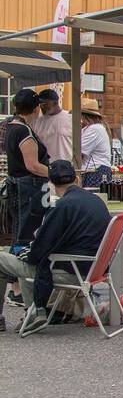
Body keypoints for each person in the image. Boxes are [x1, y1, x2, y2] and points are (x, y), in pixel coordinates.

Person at [0, 159, 110, 335]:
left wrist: (25, 253)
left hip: (72, 270)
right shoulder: (96, 201)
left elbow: (39, 249)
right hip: (95, 268)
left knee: (6, 259)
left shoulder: (61, 206)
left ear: (50, 182)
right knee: (16, 260)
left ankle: (34, 313)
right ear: (77, 179)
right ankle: (34, 312)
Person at [4, 88, 50, 311]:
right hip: (28, 188)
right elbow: (32, 165)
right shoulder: (23, 131)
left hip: (18, 185)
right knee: (25, 237)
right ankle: (19, 290)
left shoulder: (11, 126)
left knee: (18, 234)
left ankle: (16, 287)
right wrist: (55, 173)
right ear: (36, 108)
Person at [31, 88, 73, 163]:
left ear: (55, 103)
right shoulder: (37, 122)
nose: (42, 107)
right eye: (40, 104)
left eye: (45, 104)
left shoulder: (70, 118)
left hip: (66, 166)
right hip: (45, 166)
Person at [78, 98, 112, 189]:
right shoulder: (91, 128)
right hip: (94, 169)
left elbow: (79, 151)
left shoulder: (94, 129)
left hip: (96, 170)